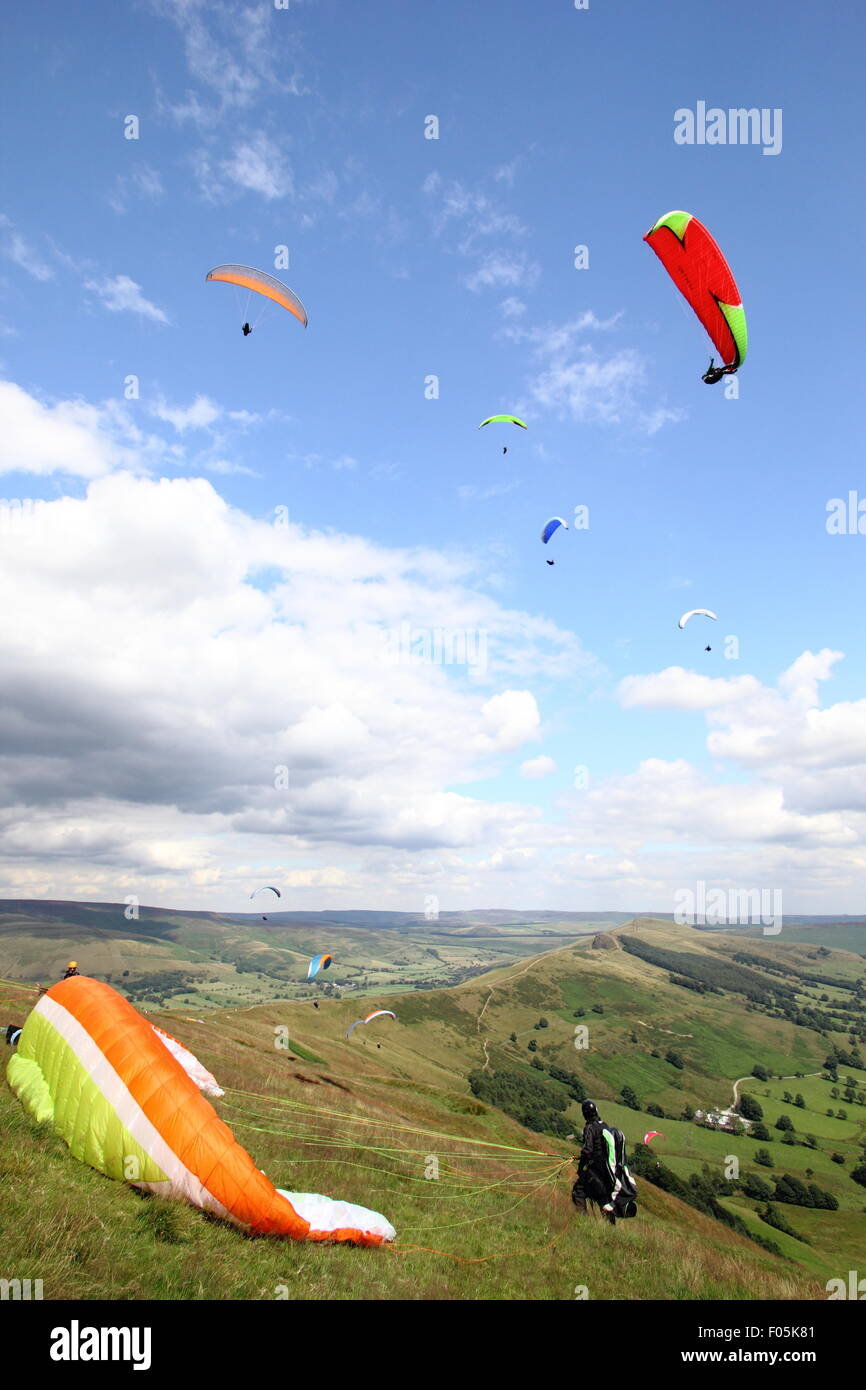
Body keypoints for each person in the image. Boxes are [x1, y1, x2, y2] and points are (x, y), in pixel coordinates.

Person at [571, 1098, 617, 1224]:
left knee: (578, 1191)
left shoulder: (590, 1128)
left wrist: (580, 1169)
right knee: (603, 1198)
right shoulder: (604, 1125)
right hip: (607, 1172)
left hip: (595, 1171)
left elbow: (587, 1150)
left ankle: (583, 1222)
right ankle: (611, 1227)